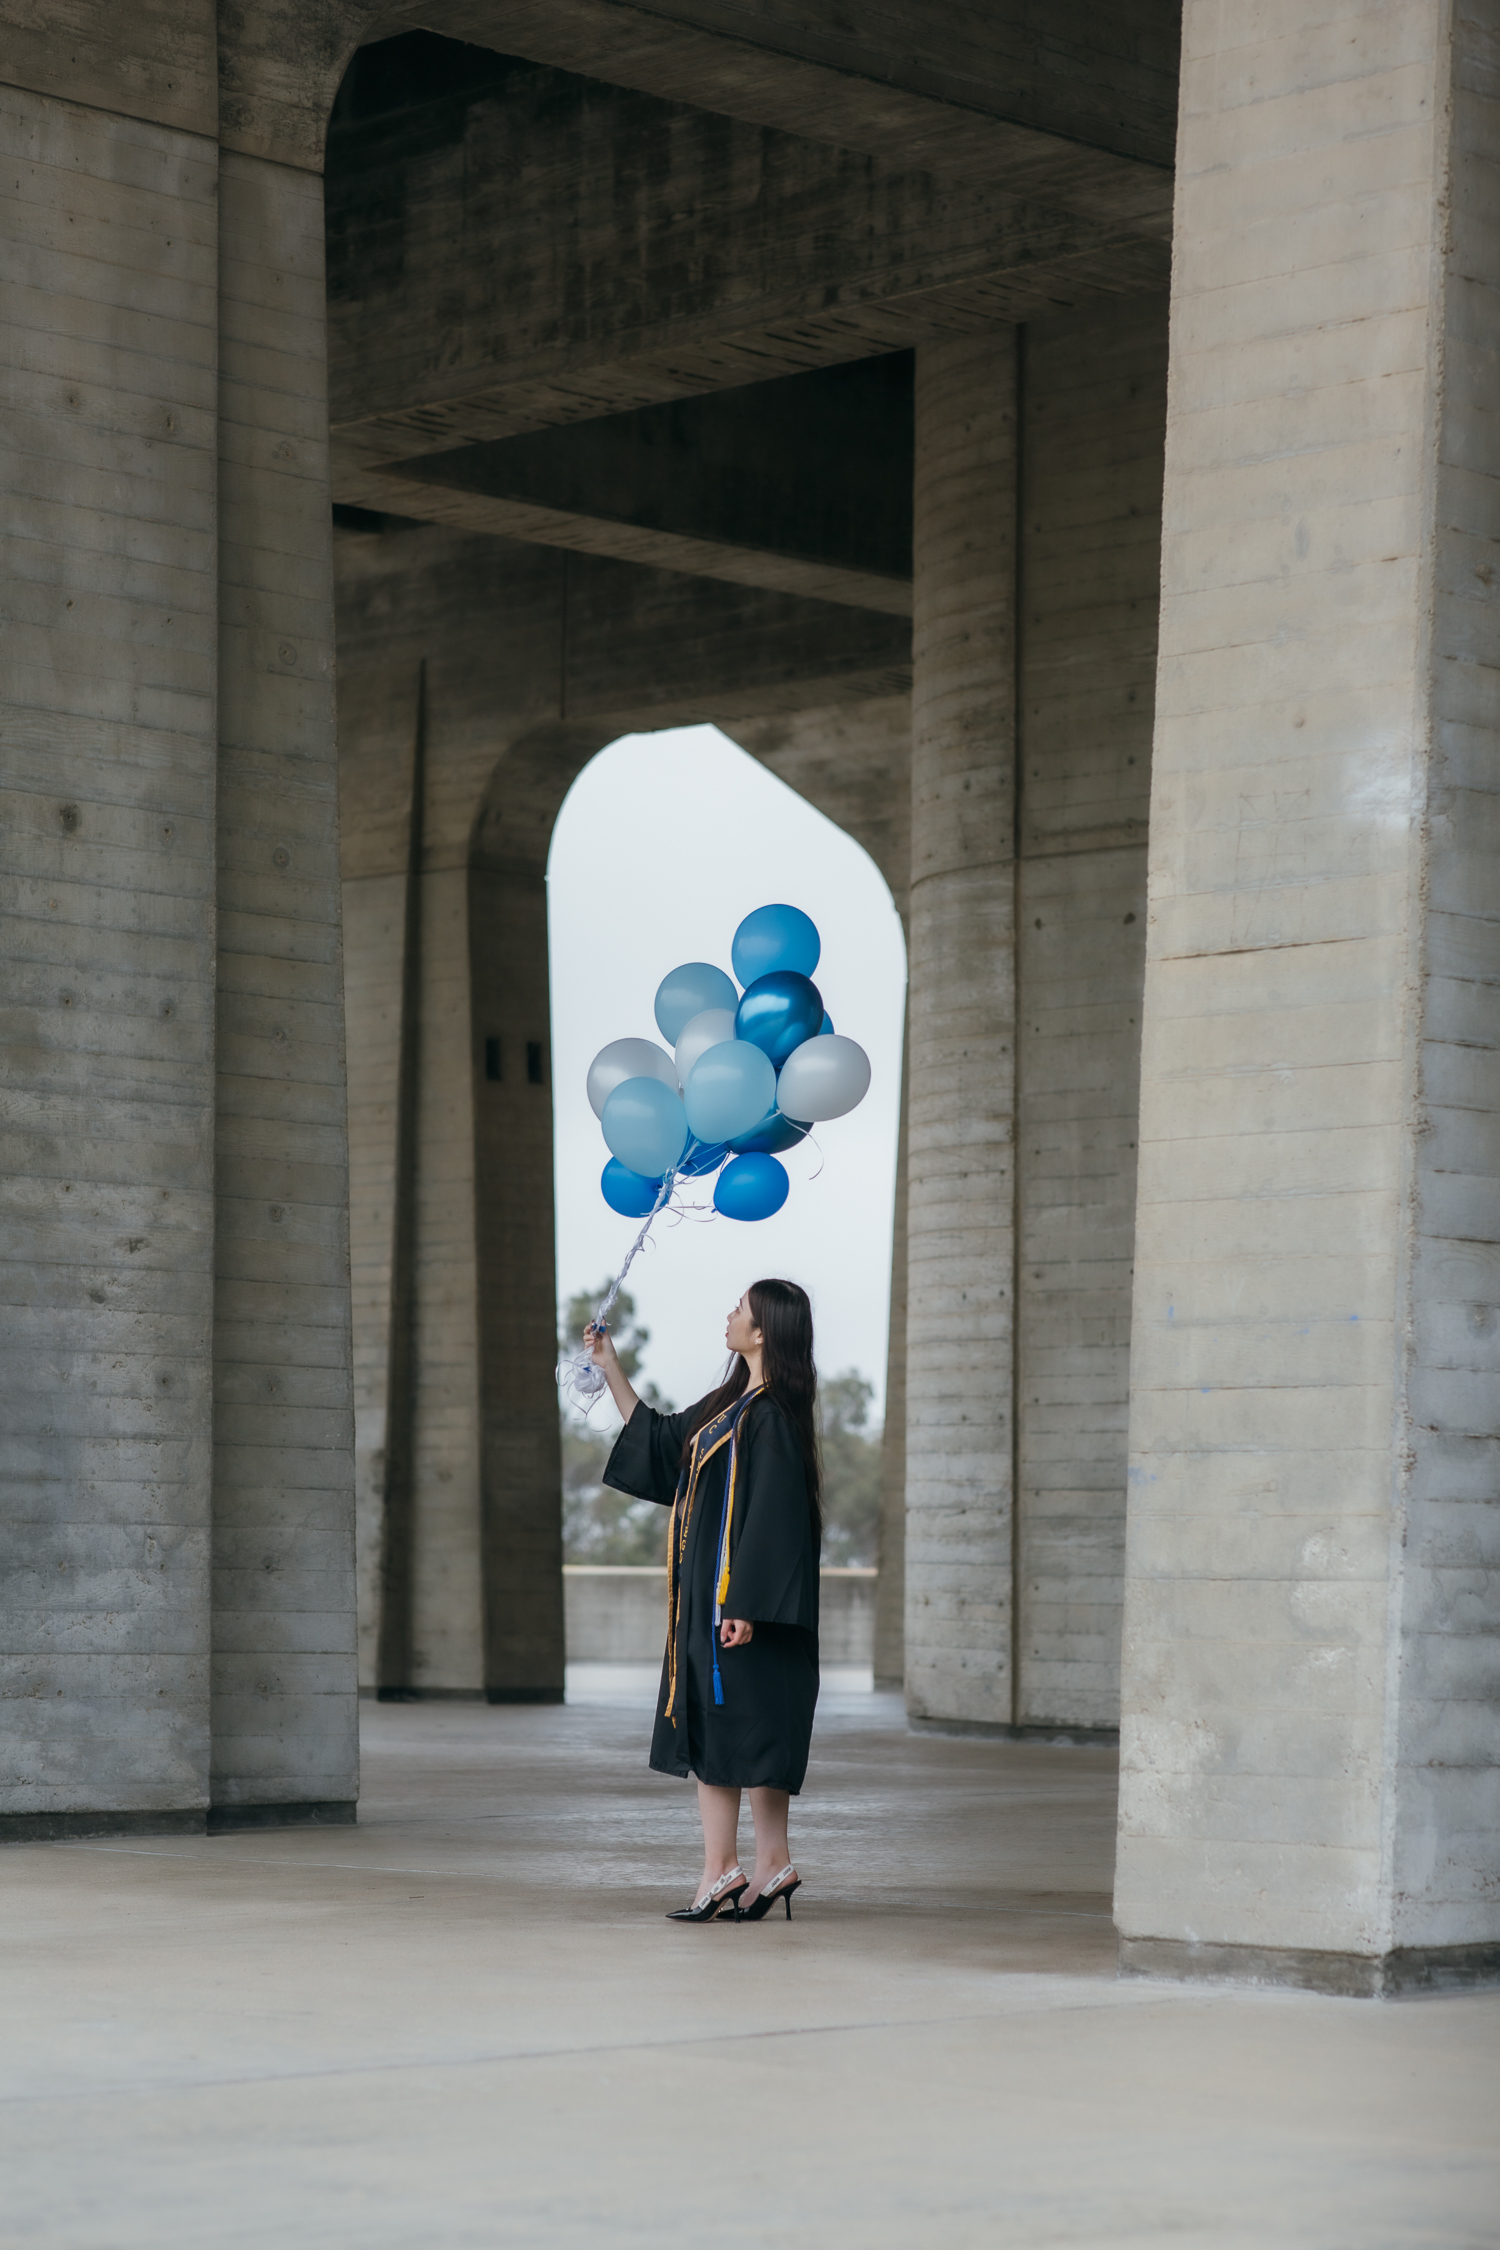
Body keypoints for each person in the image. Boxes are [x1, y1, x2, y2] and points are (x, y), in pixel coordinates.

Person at [584, 1277, 821, 1923]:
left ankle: (721, 1872)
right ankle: (772, 1866)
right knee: (757, 1735)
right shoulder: (731, 1405)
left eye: (739, 1309)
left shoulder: (768, 1416)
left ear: (765, 1329)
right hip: (725, 1607)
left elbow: (775, 1519)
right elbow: (662, 1444)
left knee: (726, 1733)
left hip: (736, 1611)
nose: (729, 1315)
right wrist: (611, 1370)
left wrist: (743, 1604)